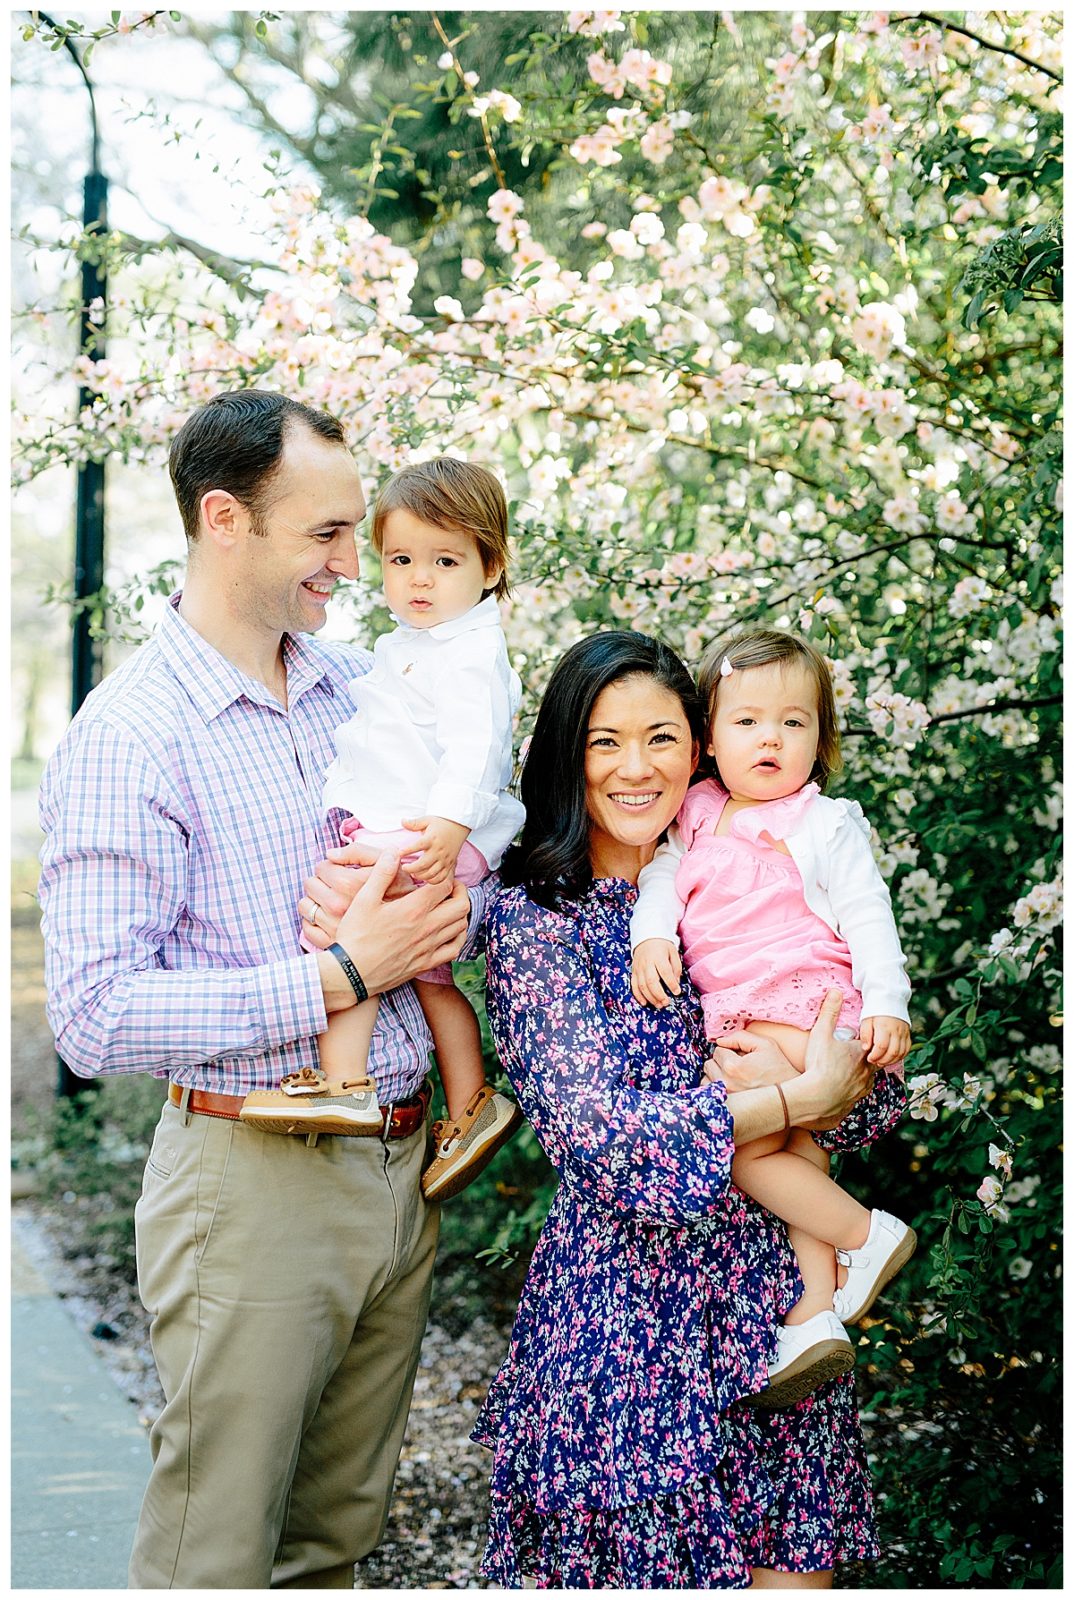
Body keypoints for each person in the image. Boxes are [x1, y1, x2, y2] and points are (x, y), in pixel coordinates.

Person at [37, 389, 482, 1589]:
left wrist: (448, 902)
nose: (359, 561)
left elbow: (457, 870)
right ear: (225, 519)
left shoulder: (359, 687)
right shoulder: (129, 735)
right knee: (216, 1558)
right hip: (252, 1182)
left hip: (401, 1166)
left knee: (334, 1547)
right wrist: (337, 974)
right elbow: (94, 1010)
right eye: (327, 534)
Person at [468, 629, 890, 1589]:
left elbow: (860, 1091)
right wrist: (793, 1097)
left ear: (700, 748)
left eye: (661, 737)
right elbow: (598, 1136)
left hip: (779, 1309)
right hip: (628, 1321)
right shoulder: (537, 918)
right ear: (568, 754)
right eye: (604, 741)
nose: (635, 767)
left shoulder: (756, 873)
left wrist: (840, 1079)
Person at [629, 628, 914, 1400]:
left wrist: (888, 1005)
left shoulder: (823, 822)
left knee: (746, 1153)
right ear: (709, 739)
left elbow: (868, 916)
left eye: (794, 722)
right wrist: (653, 934)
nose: (770, 739)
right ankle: (816, 1312)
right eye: (747, 720)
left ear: (820, 739)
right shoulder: (695, 813)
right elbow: (661, 875)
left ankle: (866, 1233)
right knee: (797, 1158)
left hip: (802, 1006)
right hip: (743, 1012)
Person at [241, 457, 524, 1201]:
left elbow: (478, 743)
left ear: (489, 567)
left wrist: (450, 825)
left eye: (445, 560)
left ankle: (343, 1082)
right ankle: (469, 1103)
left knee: (345, 943)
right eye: (401, 560)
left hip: (427, 836)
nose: (420, 580)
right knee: (431, 981)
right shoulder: (409, 645)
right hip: (411, 829)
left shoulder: (471, 652)